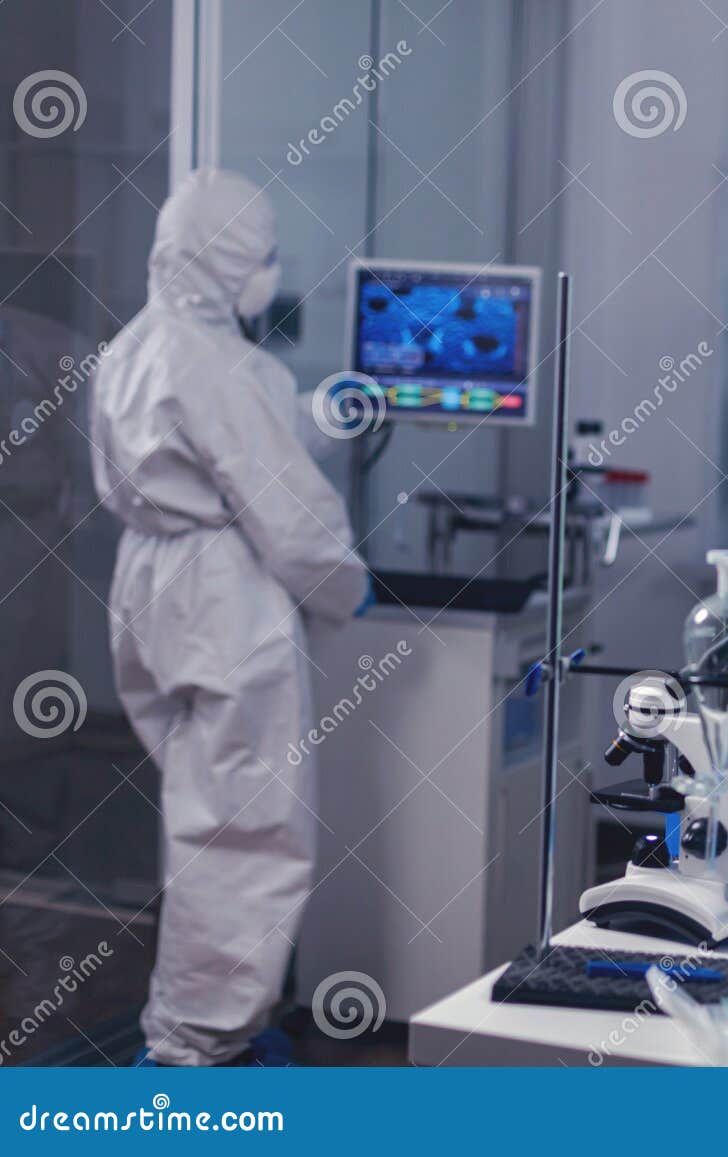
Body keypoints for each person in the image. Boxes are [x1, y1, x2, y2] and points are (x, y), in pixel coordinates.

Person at [90, 168, 369, 1066]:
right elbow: (286, 514)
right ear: (228, 262)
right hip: (225, 597)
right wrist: (346, 587)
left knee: (201, 810)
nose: (271, 273)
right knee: (246, 829)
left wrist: (310, 418)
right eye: (265, 254)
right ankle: (196, 1050)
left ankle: (194, 1029)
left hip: (150, 584)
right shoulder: (229, 363)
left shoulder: (135, 346)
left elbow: (217, 448)